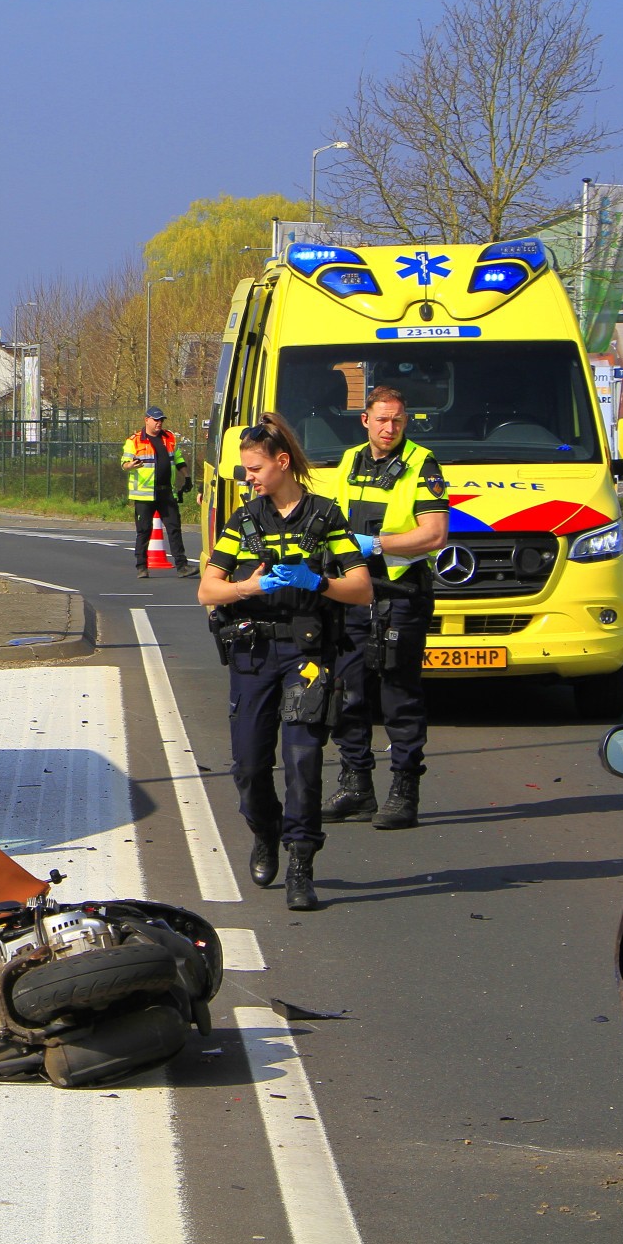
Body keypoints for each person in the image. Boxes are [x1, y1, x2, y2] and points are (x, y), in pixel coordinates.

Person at [198, 411, 372, 911]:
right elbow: (207, 589)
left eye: (254, 469)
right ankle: (264, 829)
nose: (248, 478)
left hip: (307, 653)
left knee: (303, 761)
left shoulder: (325, 516)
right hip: (253, 654)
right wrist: (248, 587)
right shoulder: (244, 520)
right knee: (250, 765)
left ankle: (301, 861)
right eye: (245, 470)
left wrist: (317, 581)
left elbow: (361, 589)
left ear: (282, 462)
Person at [321, 386, 450, 830]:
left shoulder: (422, 463)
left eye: (397, 420)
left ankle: (404, 791)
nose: (389, 428)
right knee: (346, 691)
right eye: (381, 419)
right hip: (353, 591)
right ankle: (356, 786)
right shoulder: (350, 460)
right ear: (365, 420)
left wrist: (376, 544)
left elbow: (435, 534)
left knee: (399, 695)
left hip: (400, 594)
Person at [122, 406, 194, 577]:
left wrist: (187, 477)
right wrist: (131, 465)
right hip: (144, 494)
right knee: (144, 531)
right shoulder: (134, 441)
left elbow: (178, 459)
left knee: (174, 528)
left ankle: (182, 567)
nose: (159, 423)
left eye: (161, 420)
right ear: (146, 420)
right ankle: (141, 567)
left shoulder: (169, 438)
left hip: (166, 492)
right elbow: (124, 464)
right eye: (156, 420)